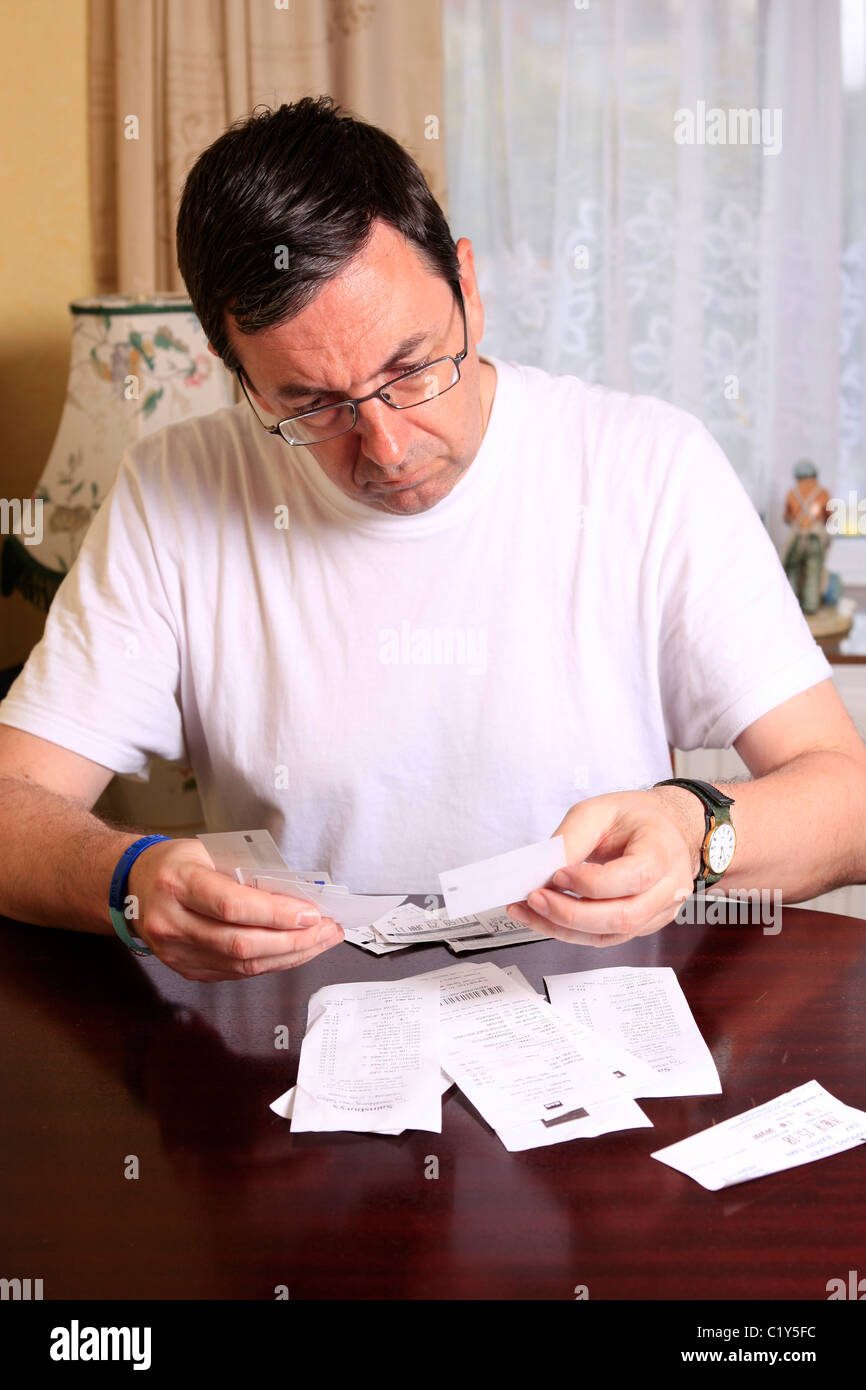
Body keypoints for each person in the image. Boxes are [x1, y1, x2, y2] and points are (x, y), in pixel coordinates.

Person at [0, 95, 864, 982]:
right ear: (243, 383)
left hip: (602, 1052)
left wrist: (695, 827)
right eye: (312, 405)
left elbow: (850, 802)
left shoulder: (648, 464)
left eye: (410, 369)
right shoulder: (173, 491)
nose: (388, 446)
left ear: (469, 288)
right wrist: (128, 880)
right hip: (299, 1054)